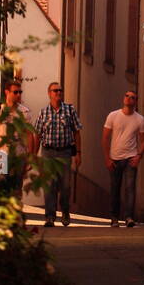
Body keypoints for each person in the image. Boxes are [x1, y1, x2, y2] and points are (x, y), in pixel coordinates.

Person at [33, 82, 83, 228]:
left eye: (60, 90)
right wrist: (35, 155)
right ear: (49, 93)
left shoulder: (69, 110)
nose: (58, 93)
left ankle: (65, 212)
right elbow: (37, 134)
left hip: (65, 152)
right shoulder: (44, 112)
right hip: (48, 152)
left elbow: (77, 132)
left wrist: (78, 153)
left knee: (65, 186)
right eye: (55, 91)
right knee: (49, 185)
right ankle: (49, 216)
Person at [102, 90, 144, 228]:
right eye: (127, 96)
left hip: (130, 158)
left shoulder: (139, 119)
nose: (129, 99)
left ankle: (128, 217)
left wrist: (139, 156)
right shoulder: (113, 116)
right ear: (123, 99)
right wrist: (107, 158)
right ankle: (114, 217)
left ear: (135, 101)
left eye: (132, 97)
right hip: (115, 157)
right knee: (115, 188)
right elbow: (105, 137)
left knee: (130, 188)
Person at [0, 78, 34, 209]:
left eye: (20, 92)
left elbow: (29, 135)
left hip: (18, 155)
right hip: (1, 155)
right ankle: (3, 216)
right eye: (15, 92)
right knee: (2, 185)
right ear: (7, 92)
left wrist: (30, 157)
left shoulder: (24, 112)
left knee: (16, 187)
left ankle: (14, 216)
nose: (19, 95)